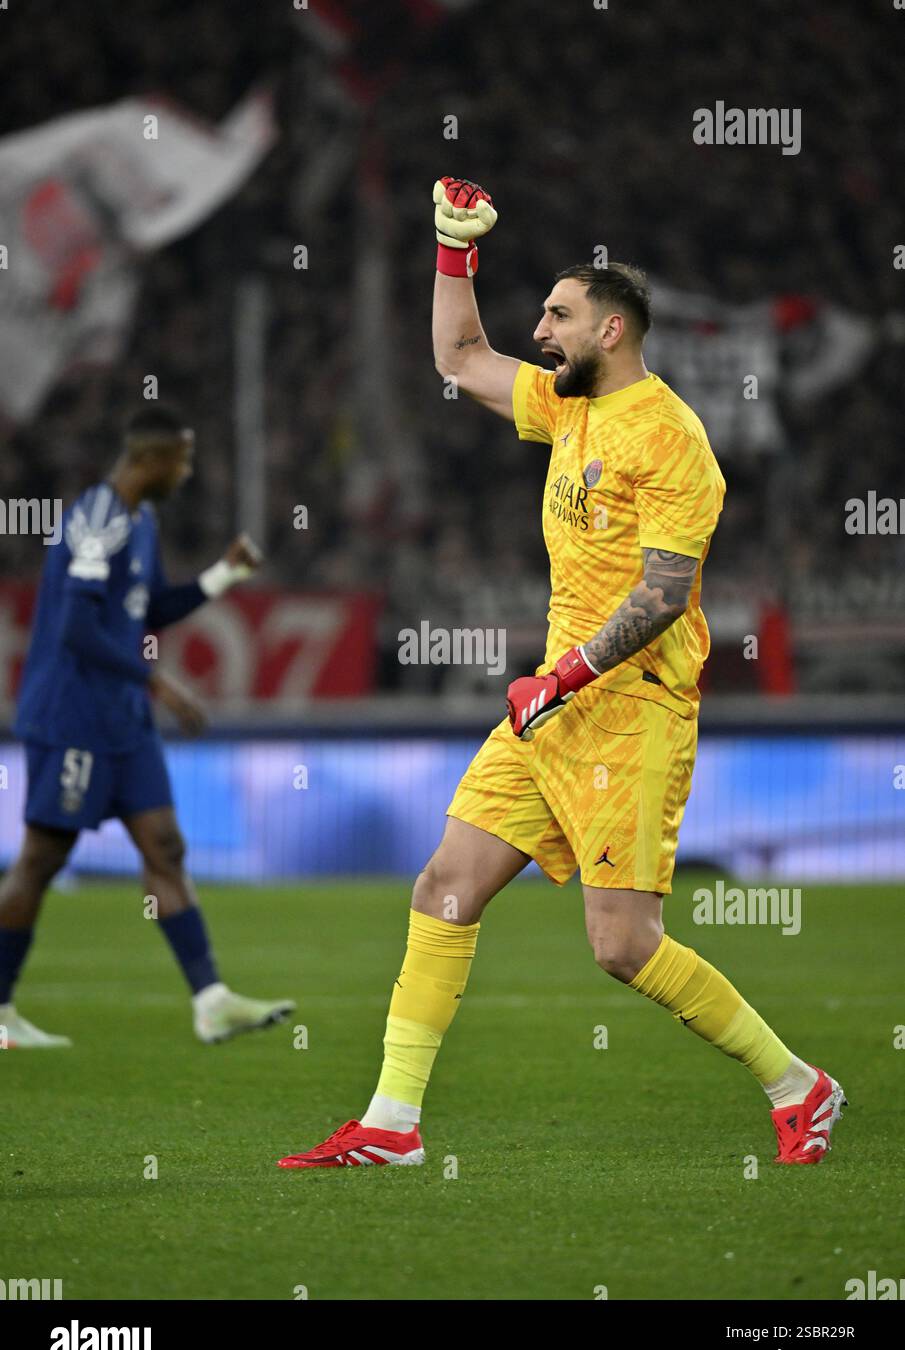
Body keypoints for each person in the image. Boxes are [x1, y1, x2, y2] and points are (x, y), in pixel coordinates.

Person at [277, 177, 844, 1170]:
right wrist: (454, 248)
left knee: (621, 946)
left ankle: (799, 1084)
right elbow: (457, 356)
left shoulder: (670, 440)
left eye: (556, 315)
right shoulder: (565, 406)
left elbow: (665, 591)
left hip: (629, 713)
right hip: (552, 709)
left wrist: (567, 673)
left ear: (612, 329)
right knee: (445, 885)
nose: (536, 329)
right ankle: (392, 1124)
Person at [0, 404, 295, 1048]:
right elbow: (76, 628)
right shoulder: (96, 519)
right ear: (149, 459)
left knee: (164, 847)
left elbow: (150, 608)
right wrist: (156, 680)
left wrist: (224, 573)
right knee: (42, 859)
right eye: (181, 458)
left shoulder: (141, 519)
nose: (186, 471)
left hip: (122, 720)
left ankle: (211, 1000)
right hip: (72, 715)